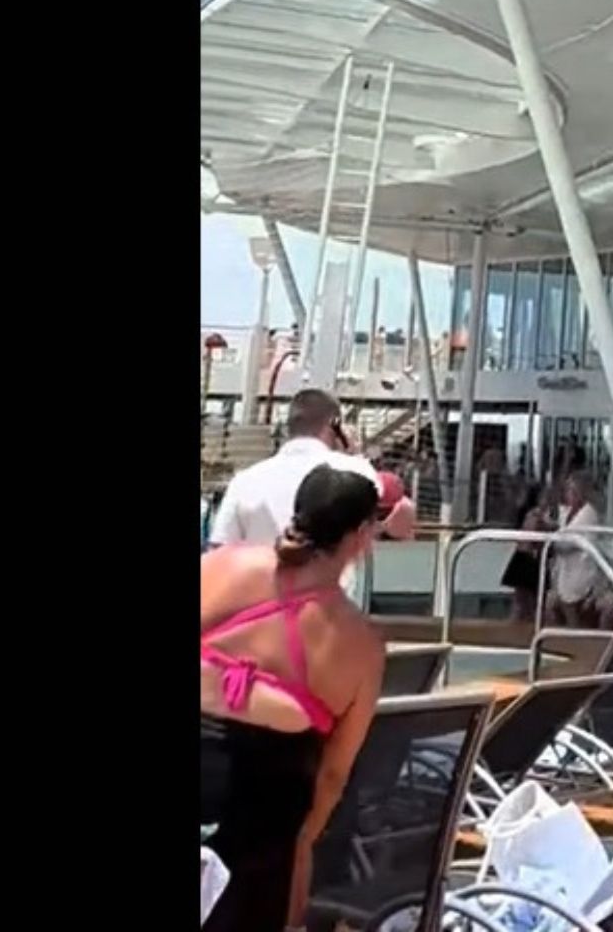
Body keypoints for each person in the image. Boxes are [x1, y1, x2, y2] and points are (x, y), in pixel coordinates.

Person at [199, 463, 388, 932]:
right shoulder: (357, 642)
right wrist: (305, 839)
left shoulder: (221, 565)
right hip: (260, 826)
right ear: (360, 535)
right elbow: (333, 773)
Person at [209, 390, 420, 548]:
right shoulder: (355, 471)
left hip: (258, 600)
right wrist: (354, 453)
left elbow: (220, 548)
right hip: (331, 599)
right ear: (335, 426)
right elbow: (404, 514)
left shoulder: (245, 480)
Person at [545, 471, 613, 628]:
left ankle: (579, 637)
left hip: (584, 572)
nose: (567, 493)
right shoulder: (566, 512)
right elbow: (553, 515)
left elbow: (566, 542)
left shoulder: (588, 514)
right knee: (552, 600)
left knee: (572, 593)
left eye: (571, 489)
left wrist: (553, 532)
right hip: (565, 571)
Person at [500, 480, 549, 622]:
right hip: (528, 559)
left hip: (522, 557)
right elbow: (534, 536)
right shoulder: (536, 515)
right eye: (545, 496)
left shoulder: (529, 514)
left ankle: (516, 624)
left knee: (522, 600)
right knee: (527, 601)